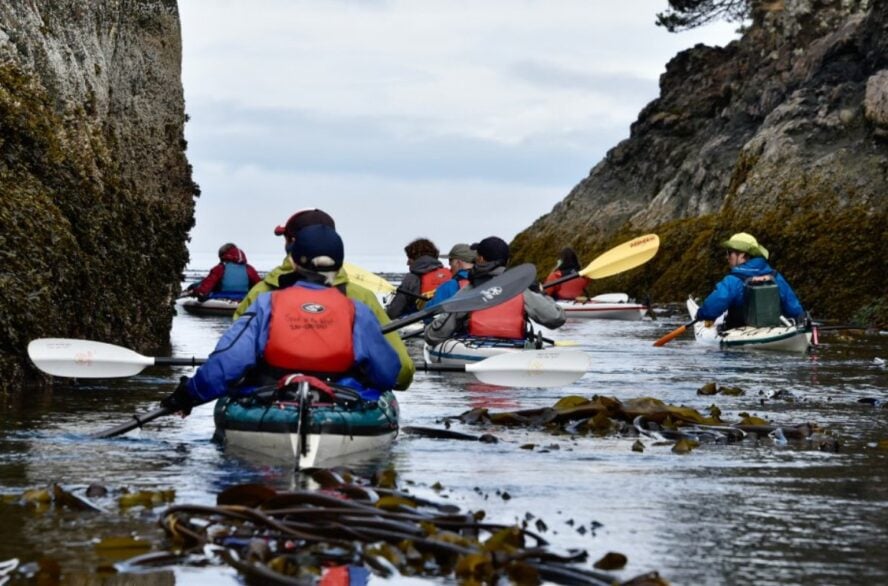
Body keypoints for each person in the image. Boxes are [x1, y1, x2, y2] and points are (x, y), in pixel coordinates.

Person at [161, 225, 401, 415]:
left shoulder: (266, 304)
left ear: (293, 262)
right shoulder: (358, 311)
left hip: (272, 401)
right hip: (342, 405)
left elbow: (227, 362)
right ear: (340, 267)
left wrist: (188, 395)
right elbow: (388, 373)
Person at [233, 208, 415, 391]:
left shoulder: (260, 295)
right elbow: (403, 372)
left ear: (292, 244)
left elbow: (233, 359)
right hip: (345, 401)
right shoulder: (362, 299)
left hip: (268, 398)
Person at [424, 236, 566, 345]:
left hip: (473, 348)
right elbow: (556, 318)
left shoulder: (470, 291)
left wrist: (430, 328)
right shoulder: (521, 290)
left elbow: (434, 335)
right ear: (507, 261)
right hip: (514, 350)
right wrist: (540, 293)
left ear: (480, 259)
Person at [695, 232, 805, 329]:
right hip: (773, 329)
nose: (727, 257)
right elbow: (795, 310)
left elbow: (713, 306)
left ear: (742, 255)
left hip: (738, 341)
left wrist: (700, 315)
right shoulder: (776, 277)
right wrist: (801, 320)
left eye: (729, 253)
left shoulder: (733, 280)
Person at [385, 238, 451, 319]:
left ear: (416, 258)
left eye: (409, 258)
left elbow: (393, 312)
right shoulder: (450, 276)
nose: (407, 263)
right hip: (445, 322)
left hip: (417, 325)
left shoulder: (411, 279)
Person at [188, 243, 261, 301]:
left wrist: (196, 292)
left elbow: (206, 286)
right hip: (244, 298)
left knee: (200, 285)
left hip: (221, 297)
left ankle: (192, 287)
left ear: (224, 255)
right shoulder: (249, 269)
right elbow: (260, 286)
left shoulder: (220, 268)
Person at [425, 243, 476, 308]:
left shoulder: (450, 285)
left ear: (458, 262)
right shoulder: (486, 280)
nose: (449, 265)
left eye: (451, 260)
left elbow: (430, 312)